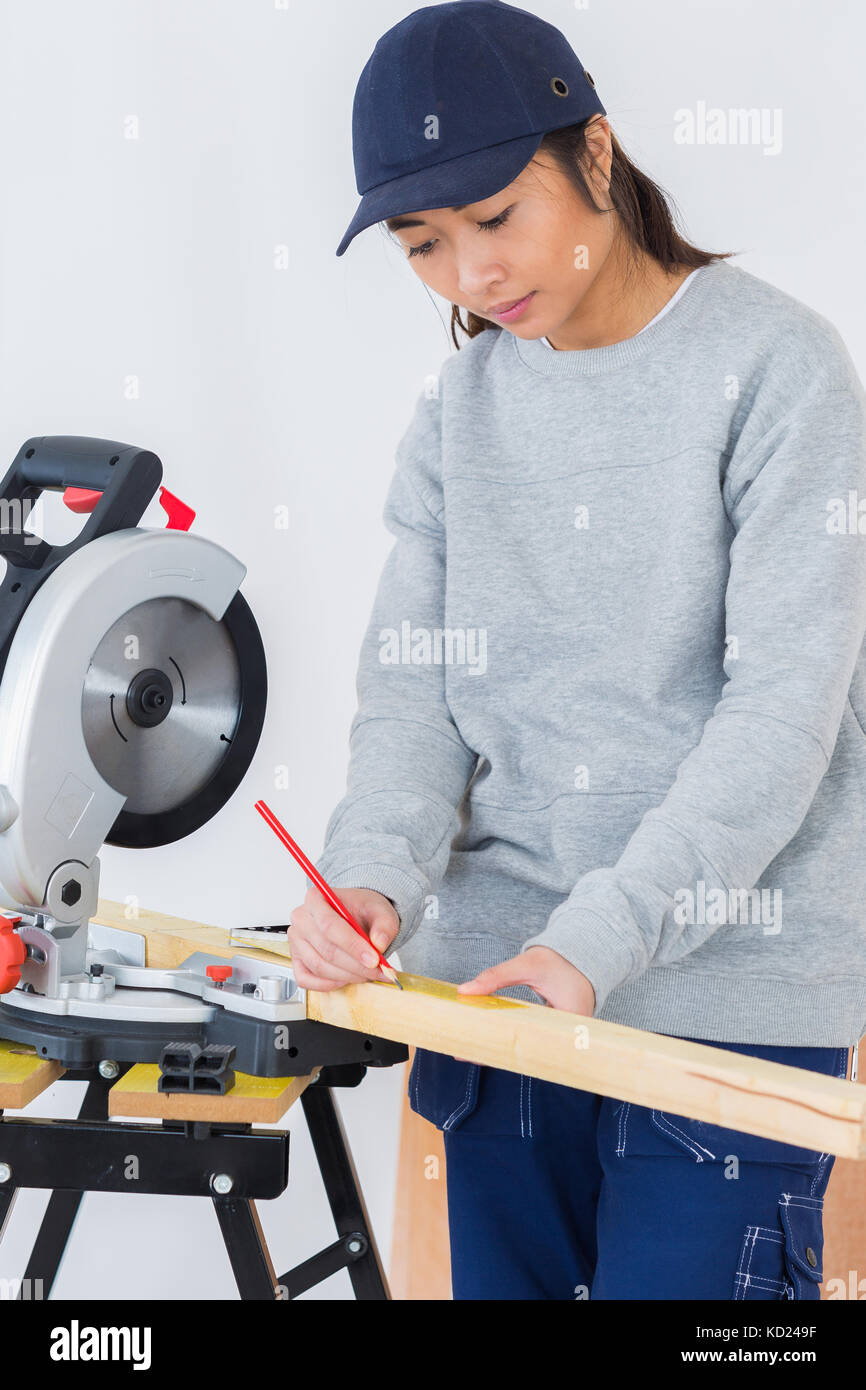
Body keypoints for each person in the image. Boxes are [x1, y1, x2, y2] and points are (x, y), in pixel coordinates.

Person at [289, 0, 864, 1299]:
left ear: (594, 154)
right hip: (496, 999)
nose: (470, 277)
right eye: (422, 244)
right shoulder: (457, 412)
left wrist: (592, 943)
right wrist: (372, 870)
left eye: (496, 217)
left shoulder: (778, 370)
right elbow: (414, 691)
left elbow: (780, 716)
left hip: (723, 1003)